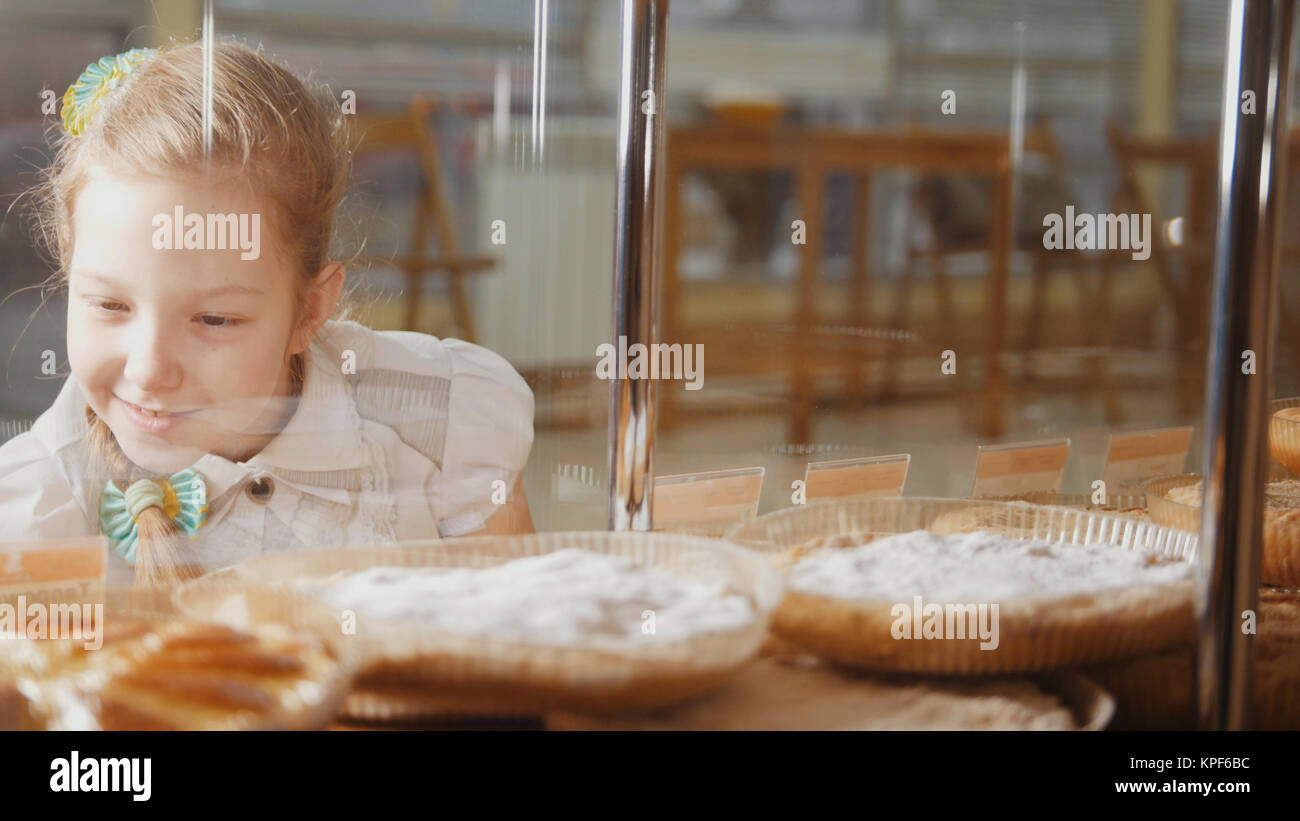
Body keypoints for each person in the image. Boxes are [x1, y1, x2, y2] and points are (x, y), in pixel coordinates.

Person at [0, 41, 535, 587]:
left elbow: (520, 630)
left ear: (309, 310)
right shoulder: (36, 514)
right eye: (110, 305)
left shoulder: (439, 424)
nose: (149, 370)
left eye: (213, 320)